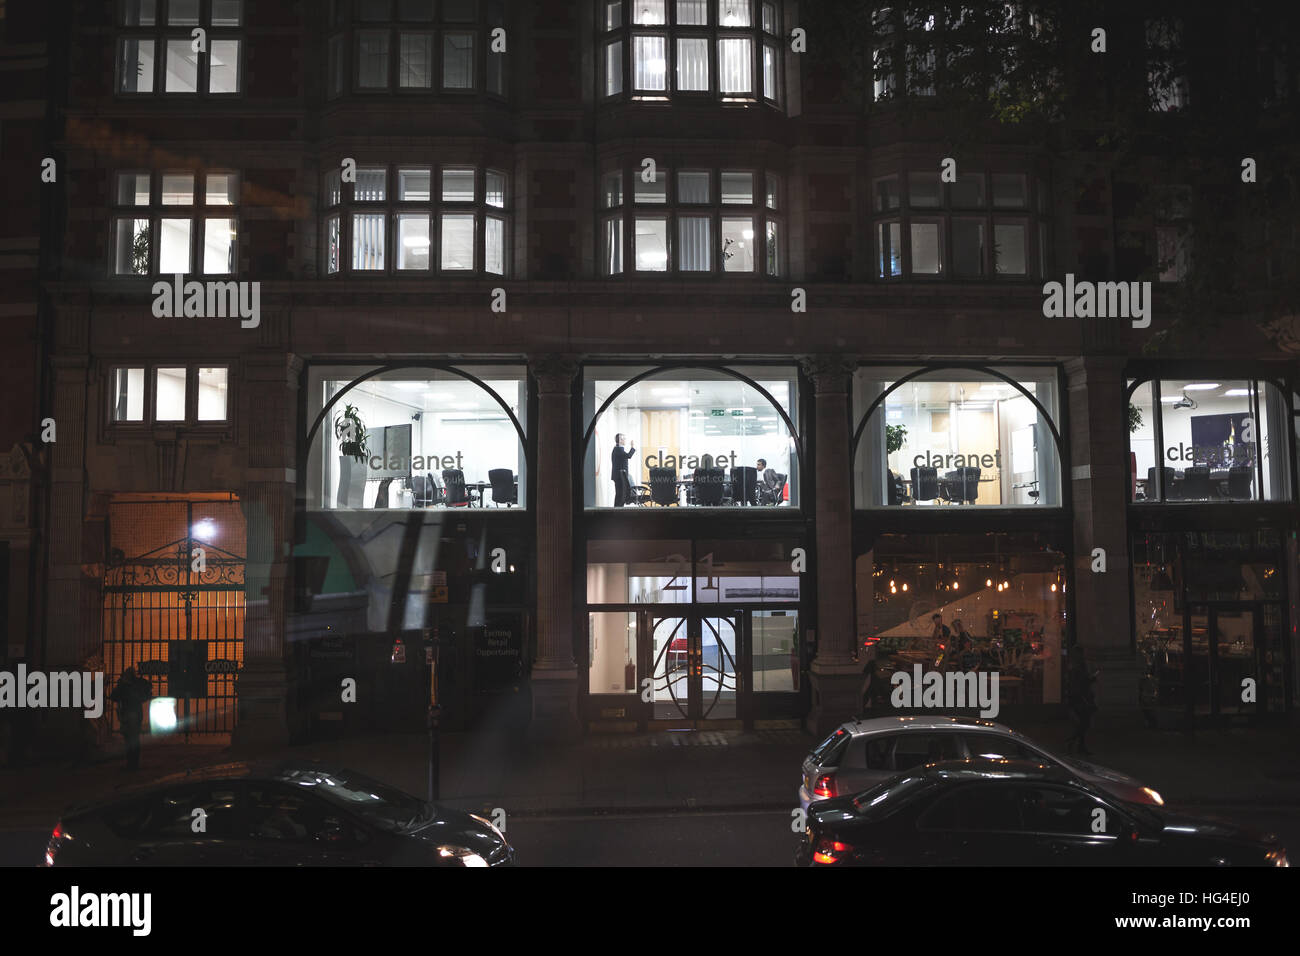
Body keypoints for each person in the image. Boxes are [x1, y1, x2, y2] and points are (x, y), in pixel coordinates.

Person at [109, 667, 153, 771]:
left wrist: (120, 685)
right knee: (134, 739)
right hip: (136, 713)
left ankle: (131, 764)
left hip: (128, 714)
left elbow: (114, 696)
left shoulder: (125, 686)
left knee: (129, 739)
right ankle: (134, 764)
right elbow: (147, 693)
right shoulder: (139, 684)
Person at [1065, 649, 1099, 756]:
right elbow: (1081, 683)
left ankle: (1079, 745)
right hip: (1081, 699)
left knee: (1083, 722)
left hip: (1080, 698)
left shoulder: (1075, 668)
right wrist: (1091, 679)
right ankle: (1073, 741)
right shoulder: (1078, 669)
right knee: (1085, 722)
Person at [610, 433, 636, 507]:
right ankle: (617, 510)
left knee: (620, 494)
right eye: (624, 439)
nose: (625, 440)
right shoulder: (618, 449)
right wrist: (632, 447)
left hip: (619, 476)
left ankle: (618, 509)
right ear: (620, 440)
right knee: (620, 494)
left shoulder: (618, 449)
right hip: (619, 477)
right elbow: (629, 456)